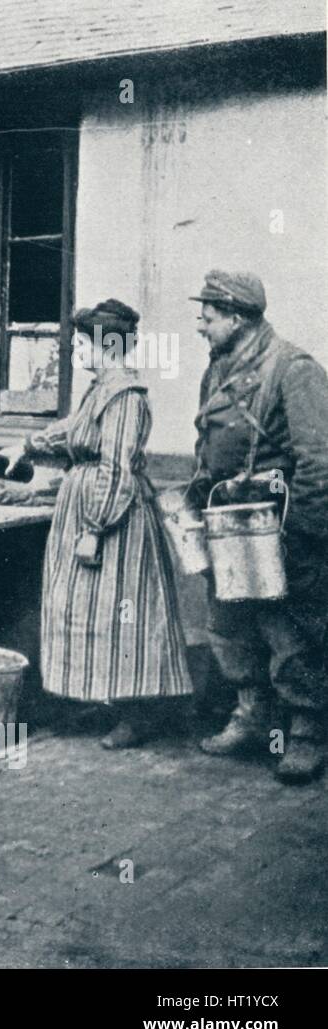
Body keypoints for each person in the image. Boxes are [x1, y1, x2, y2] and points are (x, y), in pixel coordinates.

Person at [0, 299, 193, 747]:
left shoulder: (125, 396)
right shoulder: (101, 390)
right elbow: (73, 429)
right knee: (85, 610)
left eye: (78, 343)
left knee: (123, 612)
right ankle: (100, 701)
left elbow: (117, 469)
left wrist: (94, 528)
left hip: (116, 523)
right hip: (88, 514)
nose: (72, 352)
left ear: (103, 345)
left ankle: (138, 714)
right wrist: (26, 446)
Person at [183, 270, 328, 783]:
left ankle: (308, 733)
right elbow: (207, 447)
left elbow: (319, 462)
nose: (200, 323)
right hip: (229, 525)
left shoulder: (293, 369)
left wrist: (299, 537)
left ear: (239, 317)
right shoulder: (219, 366)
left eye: (210, 314)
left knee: (290, 633)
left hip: (280, 530)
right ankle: (252, 716)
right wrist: (193, 505)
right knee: (229, 627)